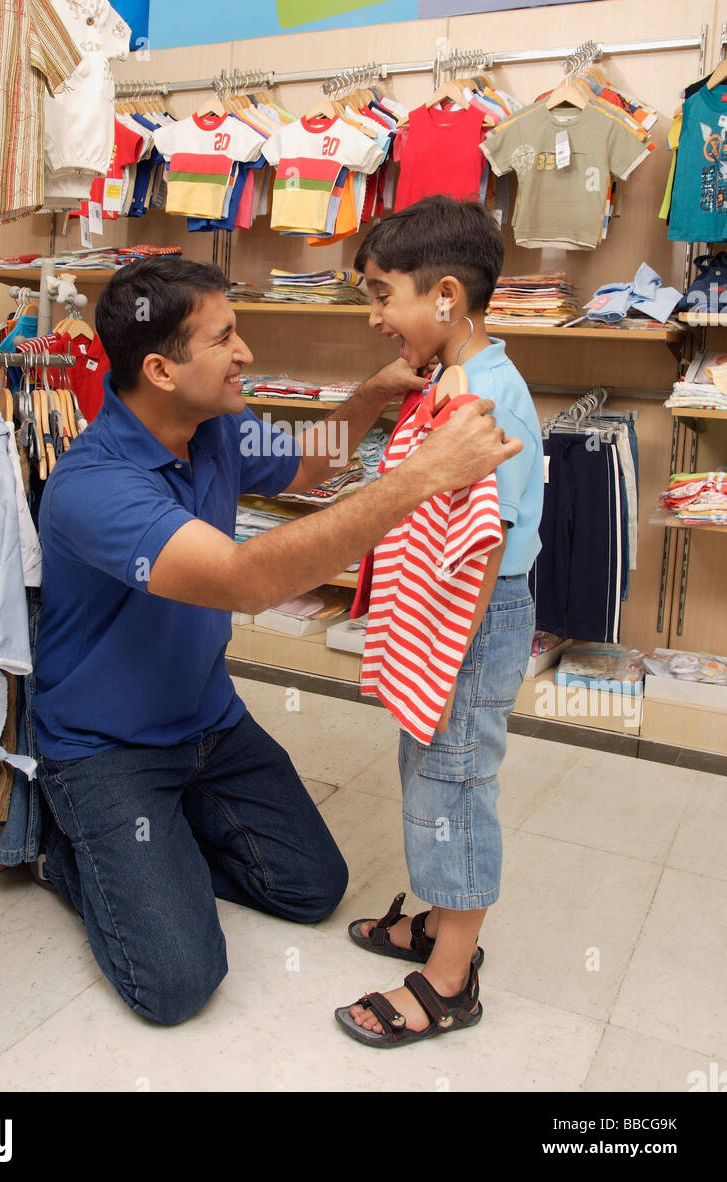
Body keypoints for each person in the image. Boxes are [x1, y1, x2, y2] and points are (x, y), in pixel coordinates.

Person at [31, 256, 522, 1026]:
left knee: (311, 889)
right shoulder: (93, 488)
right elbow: (243, 579)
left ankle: (160, 848)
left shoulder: (212, 427)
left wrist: (372, 395)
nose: (246, 354)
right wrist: (421, 476)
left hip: (209, 724)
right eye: (225, 338)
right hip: (106, 748)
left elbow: (308, 463)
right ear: (160, 368)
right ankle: (71, 849)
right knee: (178, 984)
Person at [336, 194, 542, 1048]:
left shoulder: (480, 400)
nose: (377, 316)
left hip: (468, 619)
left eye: (384, 295)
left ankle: (450, 978)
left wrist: (441, 643)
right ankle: (435, 920)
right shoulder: (457, 378)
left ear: (446, 296)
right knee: (433, 773)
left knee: (454, 784)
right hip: (453, 616)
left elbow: (484, 541)